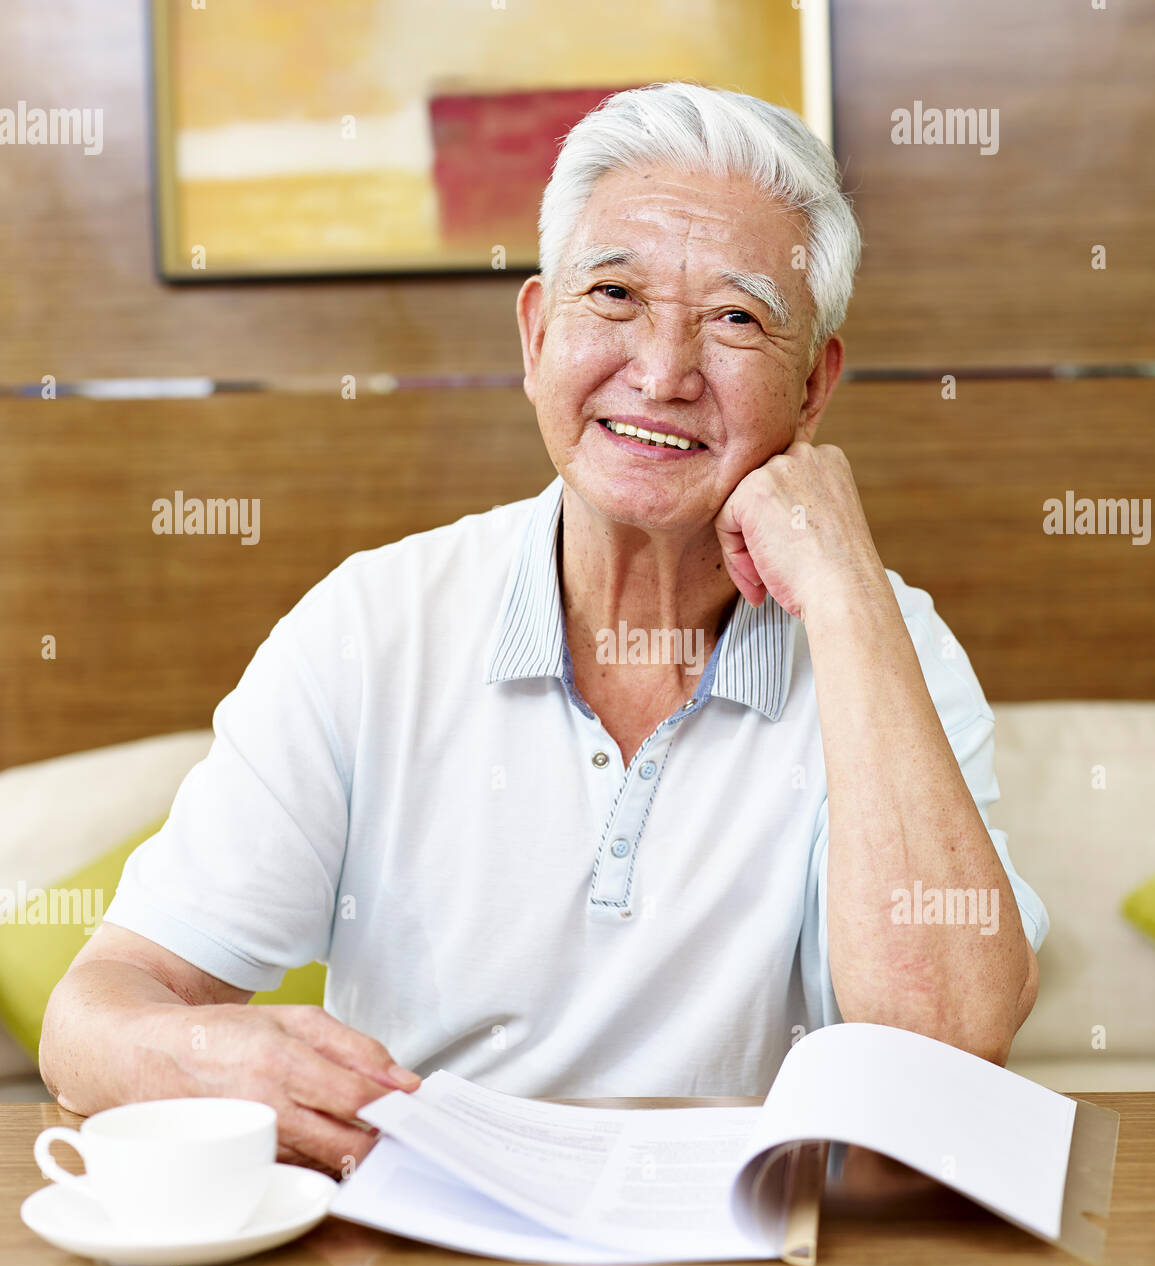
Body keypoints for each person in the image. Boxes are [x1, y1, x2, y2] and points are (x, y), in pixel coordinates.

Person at [40, 83, 1045, 1176]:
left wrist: (848, 592)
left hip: (747, 1254)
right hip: (421, 1243)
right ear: (535, 334)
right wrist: (205, 1056)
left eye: (737, 319)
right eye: (612, 294)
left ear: (813, 392)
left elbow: (943, 1044)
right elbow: (91, 1021)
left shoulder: (892, 644)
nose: (662, 372)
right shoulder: (370, 627)